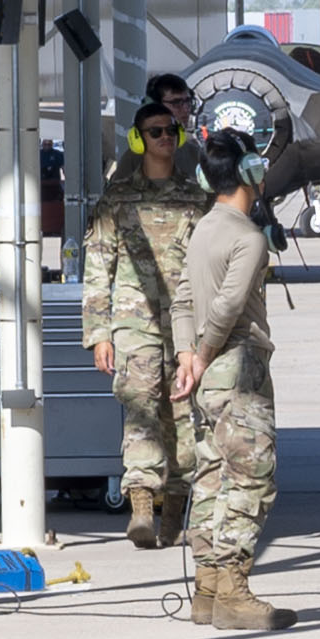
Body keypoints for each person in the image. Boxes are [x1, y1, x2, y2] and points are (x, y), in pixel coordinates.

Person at [172, 129, 291, 635]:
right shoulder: (246, 238)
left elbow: (182, 299)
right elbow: (226, 307)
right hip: (237, 367)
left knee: (211, 477)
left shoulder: (202, 229)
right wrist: (201, 354)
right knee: (250, 478)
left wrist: (186, 359)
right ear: (251, 173)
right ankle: (235, 592)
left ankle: (207, 590)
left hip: (206, 376)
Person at [82, 93, 212, 550]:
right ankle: (140, 504)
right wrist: (99, 331)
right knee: (140, 411)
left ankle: (175, 509)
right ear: (139, 139)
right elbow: (99, 265)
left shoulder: (196, 201)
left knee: (181, 417)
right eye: (155, 131)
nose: (165, 138)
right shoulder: (117, 199)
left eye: (170, 131)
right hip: (133, 324)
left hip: (184, 327)